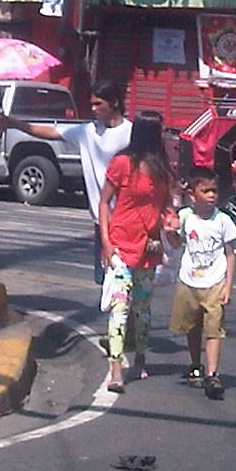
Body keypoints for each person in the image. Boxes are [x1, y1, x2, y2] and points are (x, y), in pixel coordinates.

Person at [0, 79, 132, 281]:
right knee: (105, 280)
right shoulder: (87, 131)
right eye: (91, 104)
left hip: (126, 220)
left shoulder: (131, 133)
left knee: (123, 280)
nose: (94, 109)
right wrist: (13, 123)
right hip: (101, 221)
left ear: (113, 103)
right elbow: (49, 132)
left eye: (98, 104)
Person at [99, 115, 172, 392]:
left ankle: (140, 356)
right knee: (120, 308)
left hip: (148, 248)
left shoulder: (162, 169)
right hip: (121, 245)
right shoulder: (123, 164)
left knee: (142, 308)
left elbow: (165, 204)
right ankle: (116, 366)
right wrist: (106, 242)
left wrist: (170, 220)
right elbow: (104, 202)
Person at [166, 170, 236, 398]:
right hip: (189, 281)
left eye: (214, 191)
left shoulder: (223, 220)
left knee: (214, 329)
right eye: (205, 191)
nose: (211, 196)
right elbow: (178, 244)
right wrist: (170, 233)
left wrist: (228, 285)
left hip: (214, 282)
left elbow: (230, 254)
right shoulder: (186, 216)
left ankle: (212, 374)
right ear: (192, 194)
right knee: (192, 326)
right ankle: (196, 364)